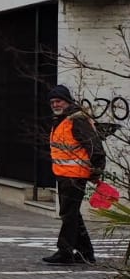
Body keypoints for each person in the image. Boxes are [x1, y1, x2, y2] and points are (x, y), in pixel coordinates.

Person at [46, 85, 105, 266]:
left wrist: (96, 171)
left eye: (58, 101)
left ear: (67, 101)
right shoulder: (62, 120)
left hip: (75, 175)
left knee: (69, 214)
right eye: (52, 102)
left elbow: (94, 146)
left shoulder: (76, 120)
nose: (55, 105)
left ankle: (65, 252)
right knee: (72, 214)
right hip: (65, 174)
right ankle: (86, 253)